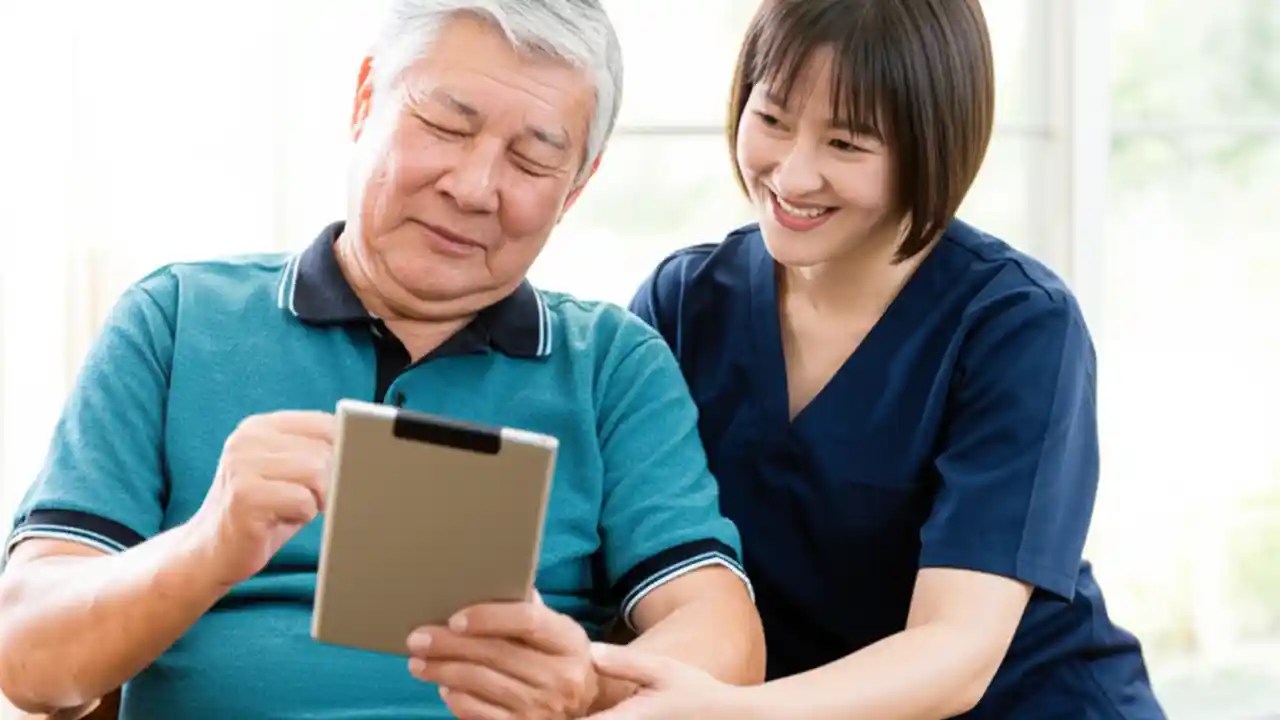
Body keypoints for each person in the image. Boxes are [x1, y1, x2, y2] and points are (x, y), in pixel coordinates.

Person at [0, 2, 765, 718]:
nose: (472, 188)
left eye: (532, 162)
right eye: (444, 125)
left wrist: (587, 684)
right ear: (367, 99)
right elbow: (28, 656)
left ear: (576, 188)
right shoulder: (175, 319)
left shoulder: (612, 364)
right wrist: (210, 545)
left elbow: (722, 636)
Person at [588, 1, 1165, 718]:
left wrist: (733, 712)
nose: (794, 176)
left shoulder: (1016, 325)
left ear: (932, 147)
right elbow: (632, 561)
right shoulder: (684, 303)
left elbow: (957, 651)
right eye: (770, 120)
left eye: (847, 145)